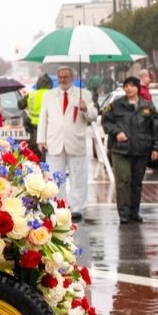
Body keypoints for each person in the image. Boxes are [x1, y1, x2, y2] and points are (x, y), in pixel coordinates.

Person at [37, 66, 98, 221]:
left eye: (65, 77)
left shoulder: (84, 94)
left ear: (72, 77)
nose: (62, 80)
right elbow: (43, 118)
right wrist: (41, 139)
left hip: (75, 141)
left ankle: (77, 207)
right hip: (54, 141)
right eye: (60, 77)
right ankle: (59, 205)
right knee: (56, 177)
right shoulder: (49, 96)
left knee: (78, 176)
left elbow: (93, 116)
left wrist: (85, 108)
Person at [101, 77, 158, 225]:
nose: (129, 89)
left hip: (141, 150)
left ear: (138, 88)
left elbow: (156, 128)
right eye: (126, 86)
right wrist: (116, 132)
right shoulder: (115, 105)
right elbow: (106, 121)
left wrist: (156, 147)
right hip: (120, 150)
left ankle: (135, 212)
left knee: (136, 182)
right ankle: (124, 214)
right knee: (123, 181)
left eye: (132, 86)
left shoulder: (147, 106)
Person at [26, 75, 51, 146]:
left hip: (33, 127)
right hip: (48, 126)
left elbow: (20, 105)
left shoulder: (32, 94)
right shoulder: (53, 94)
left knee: (36, 151)